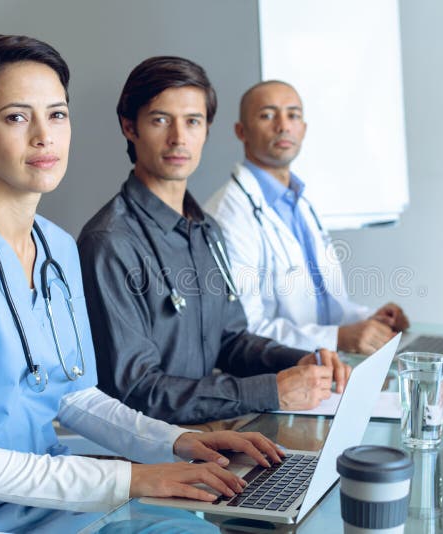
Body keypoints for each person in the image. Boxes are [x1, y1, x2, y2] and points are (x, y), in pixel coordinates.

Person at [0, 35, 284, 532]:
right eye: (16, 117)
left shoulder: (55, 248)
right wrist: (130, 478)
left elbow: (74, 395)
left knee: (203, 527)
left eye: (57, 115)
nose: (43, 137)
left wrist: (176, 442)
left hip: (45, 504)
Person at [78, 58, 351, 425]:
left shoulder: (206, 230)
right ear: (130, 127)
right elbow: (138, 390)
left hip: (209, 433)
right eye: (160, 120)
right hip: (149, 448)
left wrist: (298, 360)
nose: (179, 138)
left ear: (206, 130)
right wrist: (270, 391)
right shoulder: (110, 243)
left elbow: (230, 341)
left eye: (193, 121)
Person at [204, 80, 409, 355]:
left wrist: (370, 320)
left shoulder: (301, 201)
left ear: (304, 128)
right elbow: (243, 330)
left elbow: (326, 305)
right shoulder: (228, 215)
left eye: (293, 115)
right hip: (279, 370)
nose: (283, 126)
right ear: (242, 131)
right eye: (267, 115)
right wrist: (338, 338)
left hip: (326, 362)